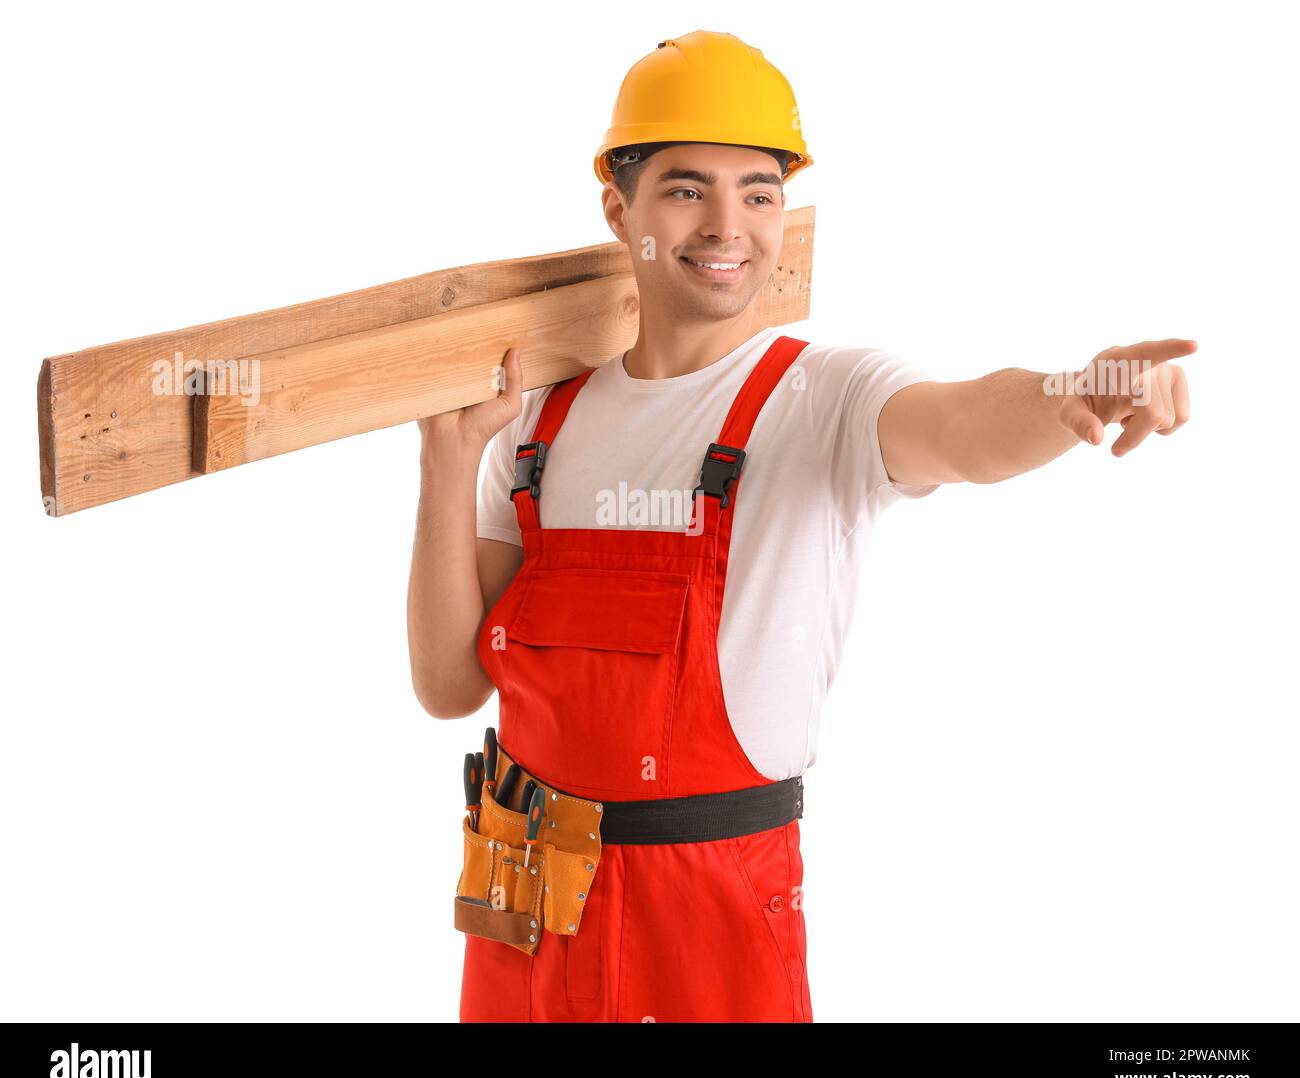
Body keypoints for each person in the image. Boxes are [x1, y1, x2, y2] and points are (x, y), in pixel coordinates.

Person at [406, 31, 1195, 1022]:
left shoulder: (822, 399)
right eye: (686, 189)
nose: (725, 224)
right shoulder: (535, 423)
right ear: (621, 207)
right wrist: (445, 458)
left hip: (712, 914)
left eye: (759, 192)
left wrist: (1075, 391)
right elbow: (447, 685)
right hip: (527, 904)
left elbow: (961, 424)